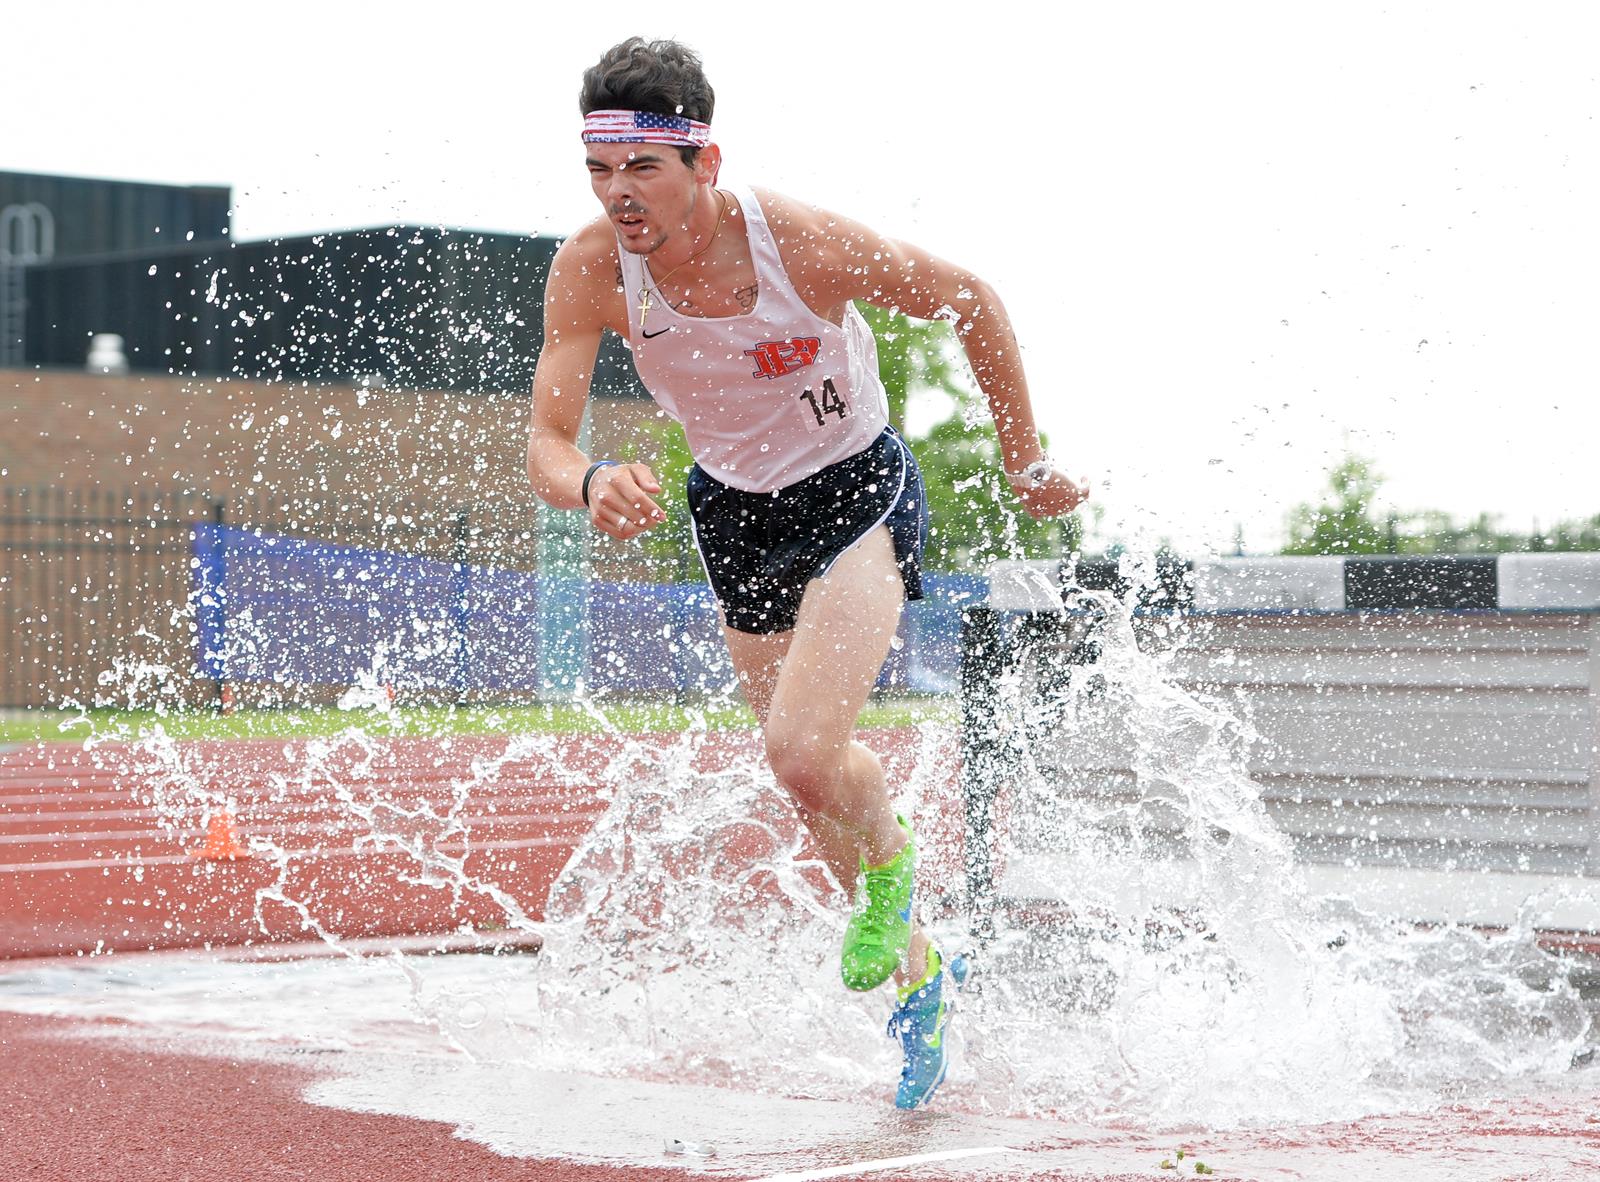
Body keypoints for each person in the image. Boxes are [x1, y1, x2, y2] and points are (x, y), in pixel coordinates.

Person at [527, 37, 1089, 1110]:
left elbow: (968, 297)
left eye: (642, 168)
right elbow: (546, 444)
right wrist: (591, 476)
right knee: (805, 780)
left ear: (705, 161)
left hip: (851, 490)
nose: (618, 195)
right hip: (732, 514)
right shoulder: (591, 268)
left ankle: (890, 878)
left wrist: (1025, 460)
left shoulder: (800, 245)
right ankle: (922, 977)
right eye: (599, 170)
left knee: (800, 744)